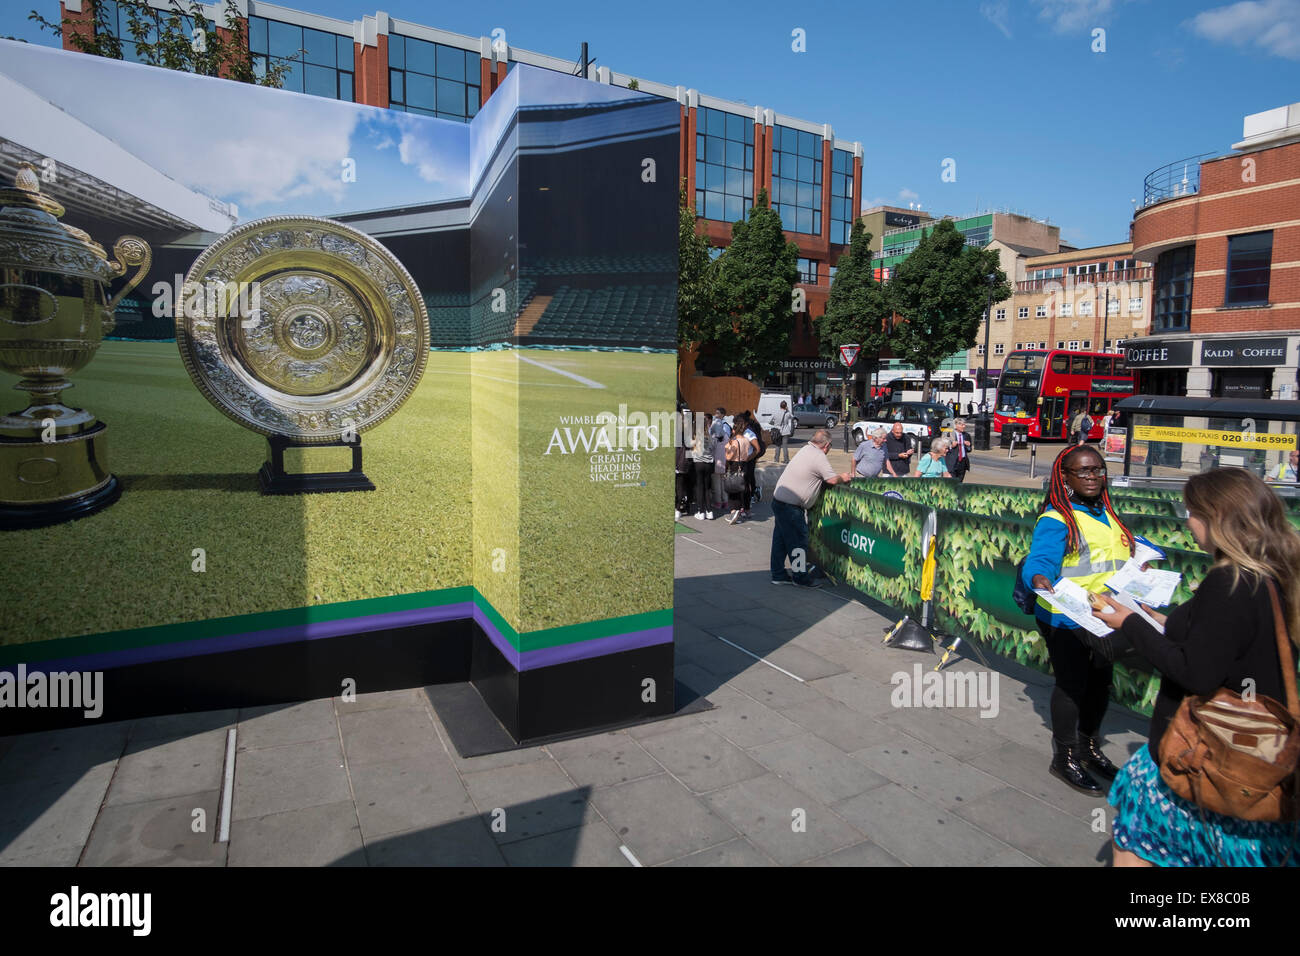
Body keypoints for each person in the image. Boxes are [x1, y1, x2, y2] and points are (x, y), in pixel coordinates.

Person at [1092, 468, 1300, 867]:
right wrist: (1165, 622)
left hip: (1209, 751)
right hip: (1258, 751)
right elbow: (1230, 643)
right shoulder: (1274, 571)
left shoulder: (1230, 582)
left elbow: (1195, 673)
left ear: (1215, 519)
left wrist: (1129, 624)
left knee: (1134, 840)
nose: (1186, 521)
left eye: (1191, 511)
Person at [1021, 444, 1137, 796]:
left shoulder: (1108, 512)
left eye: (1097, 470)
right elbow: (1039, 561)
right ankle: (1065, 757)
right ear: (1065, 477)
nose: (1092, 476)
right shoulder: (1057, 517)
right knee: (1071, 685)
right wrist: (1038, 579)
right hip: (1066, 617)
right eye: (1082, 471)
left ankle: (1089, 748)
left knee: (1100, 683)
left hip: (1103, 616)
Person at [770, 429, 854, 587]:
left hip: (779, 500)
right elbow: (831, 480)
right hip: (791, 506)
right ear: (827, 445)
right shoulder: (818, 455)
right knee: (799, 542)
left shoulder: (806, 449)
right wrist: (843, 477)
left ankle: (778, 574)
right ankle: (800, 577)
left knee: (780, 541)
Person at [724, 424, 753, 524]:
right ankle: (741, 510)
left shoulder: (735, 442)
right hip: (744, 464)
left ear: (733, 431)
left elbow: (729, 456)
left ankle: (734, 512)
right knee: (741, 487)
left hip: (735, 465)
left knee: (733, 488)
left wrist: (727, 447)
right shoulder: (746, 440)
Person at [691, 413, 717, 520]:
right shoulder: (709, 436)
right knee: (707, 488)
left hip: (698, 463)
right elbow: (713, 448)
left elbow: (691, 448)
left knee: (699, 487)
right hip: (709, 463)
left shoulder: (695, 437)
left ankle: (700, 511)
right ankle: (709, 511)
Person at [945, 417, 973, 483]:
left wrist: (968, 446)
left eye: (964, 424)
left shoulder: (966, 435)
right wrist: (951, 446)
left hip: (962, 462)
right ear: (956, 425)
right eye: (962, 425)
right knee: (952, 482)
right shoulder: (949, 434)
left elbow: (969, 450)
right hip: (952, 462)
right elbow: (943, 448)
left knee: (960, 482)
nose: (964, 426)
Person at [772, 400, 793, 464]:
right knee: (785, 447)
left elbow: (771, 421)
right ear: (786, 406)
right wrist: (788, 410)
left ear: (780, 406)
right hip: (785, 431)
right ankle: (786, 460)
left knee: (778, 446)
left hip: (778, 431)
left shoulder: (776, 413)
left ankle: (776, 459)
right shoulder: (787, 413)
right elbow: (792, 417)